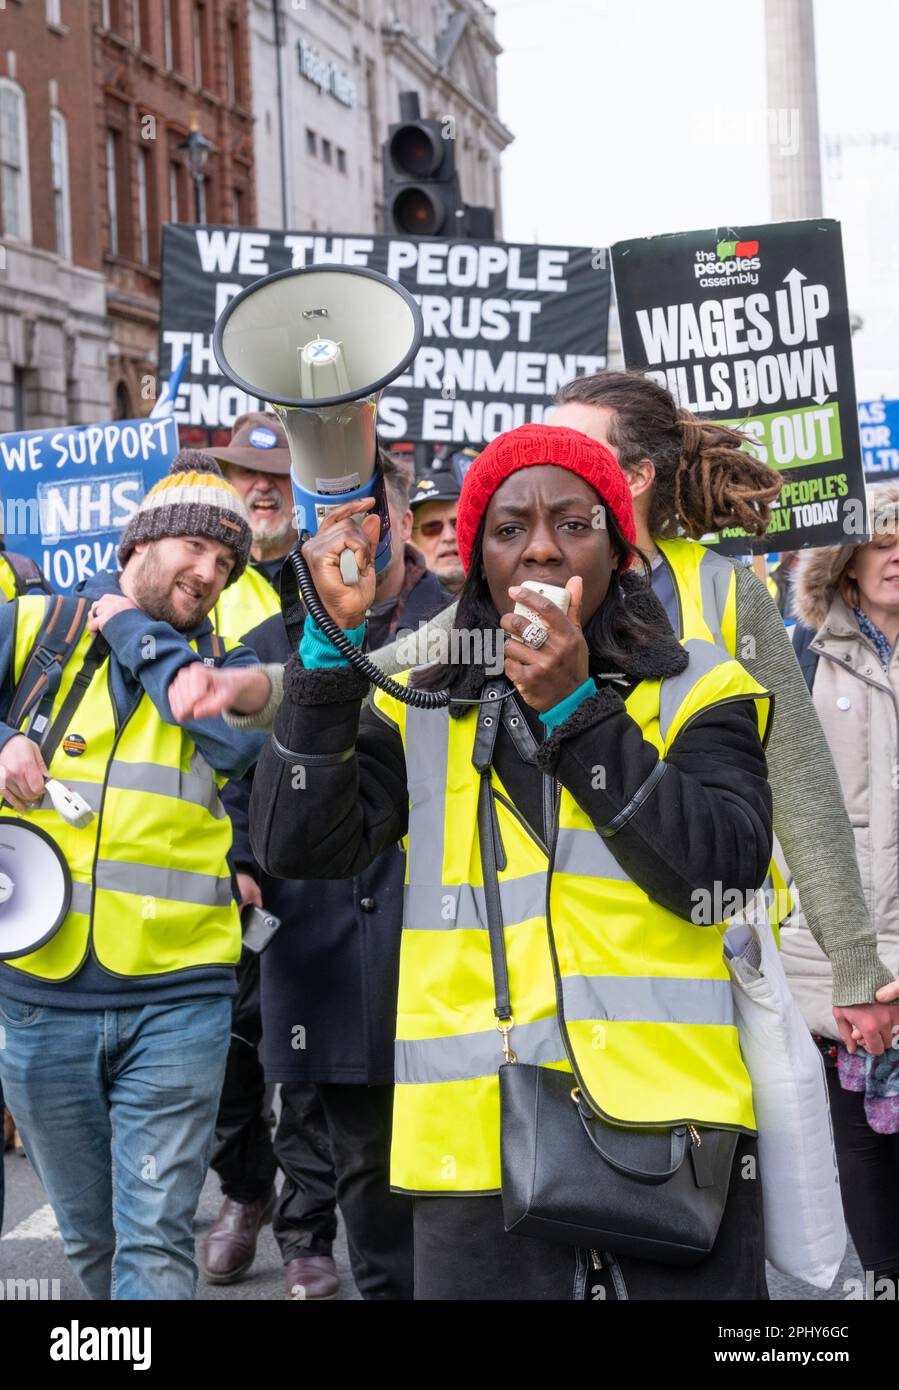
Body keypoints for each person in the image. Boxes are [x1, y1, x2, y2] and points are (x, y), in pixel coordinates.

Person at [191, 423, 778, 1300]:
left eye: (571, 523)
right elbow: (297, 843)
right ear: (476, 563)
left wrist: (579, 709)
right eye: (508, 530)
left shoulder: (702, 684)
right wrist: (321, 657)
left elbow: (721, 878)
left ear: (619, 552)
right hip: (471, 1156)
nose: (539, 545)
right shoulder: (423, 704)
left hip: (672, 1136)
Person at [550, 370, 898, 1050]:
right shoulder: (509, 579)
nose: (542, 461)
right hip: (538, 976)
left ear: (638, 475)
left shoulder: (722, 590)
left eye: (571, 449)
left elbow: (799, 781)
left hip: (692, 977)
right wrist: (295, 684)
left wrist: (853, 965)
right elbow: (387, 669)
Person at [0, 450, 271, 1300]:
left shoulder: (225, 669)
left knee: (153, 1243)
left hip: (179, 1000)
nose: (209, 573)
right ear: (138, 545)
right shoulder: (29, 628)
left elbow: (234, 746)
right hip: (40, 998)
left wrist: (130, 630)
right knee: (91, 1241)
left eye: (226, 564)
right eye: (194, 547)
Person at [205, 450, 450, 1299]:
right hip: (307, 913)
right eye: (322, 518)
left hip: (432, 937)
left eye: (358, 512)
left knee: (454, 1183)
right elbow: (233, 781)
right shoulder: (266, 640)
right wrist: (242, 863)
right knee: (345, 1137)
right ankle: (301, 1231)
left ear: (392, 514)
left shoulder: (456, 622)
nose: (340, 537)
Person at [785, 482, 899, 1294]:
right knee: (857, 1133)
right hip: (835, 943)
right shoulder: (797, 654)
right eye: (881, 539)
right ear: (846, 563)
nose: (896, 555)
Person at [210, 411, 297, 638]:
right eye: (248, 471)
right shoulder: (204, 572)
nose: (263, 485)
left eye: (277, 471)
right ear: (228, 483)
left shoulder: (329, 567)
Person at [409, 470, 464, 594]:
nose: (449, 536)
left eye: (458, 524)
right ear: (410, 539)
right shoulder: (396, 609)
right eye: (432, 527)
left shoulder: (505, 595)